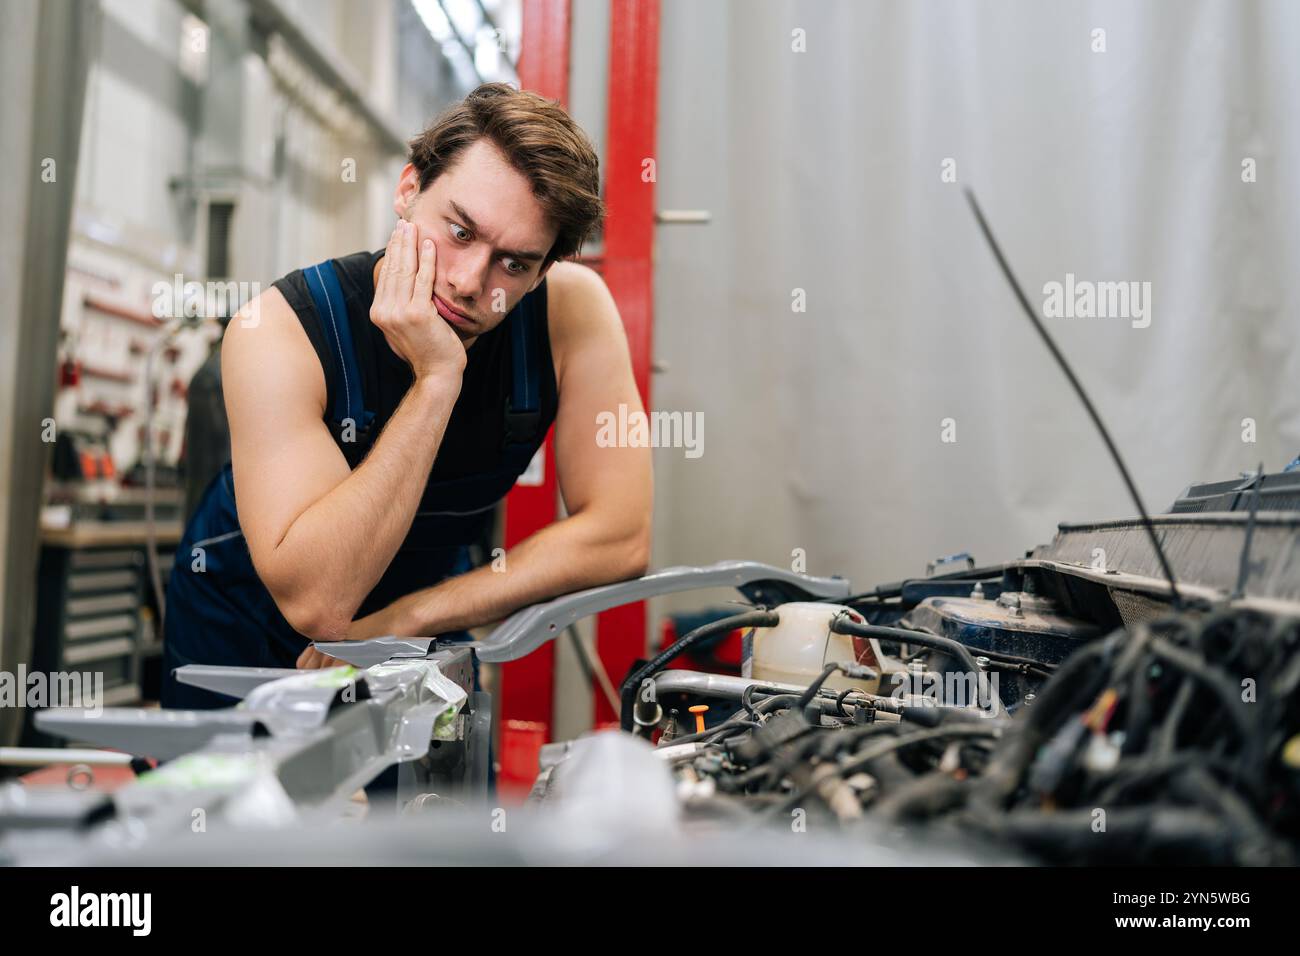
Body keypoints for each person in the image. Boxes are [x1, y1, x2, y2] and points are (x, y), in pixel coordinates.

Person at [162, 83, 652, 708]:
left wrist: (411, 617)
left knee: (427, 803)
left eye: (514, 263)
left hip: (417, 622)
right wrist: (437, 381)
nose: (469, 281)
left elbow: (620, 535)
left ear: (543, 271)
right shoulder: (280, 330)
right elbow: (320, 603)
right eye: (459, 230)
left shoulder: (572, 312)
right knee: (235, 805)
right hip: (244, 626)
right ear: (408, 190)